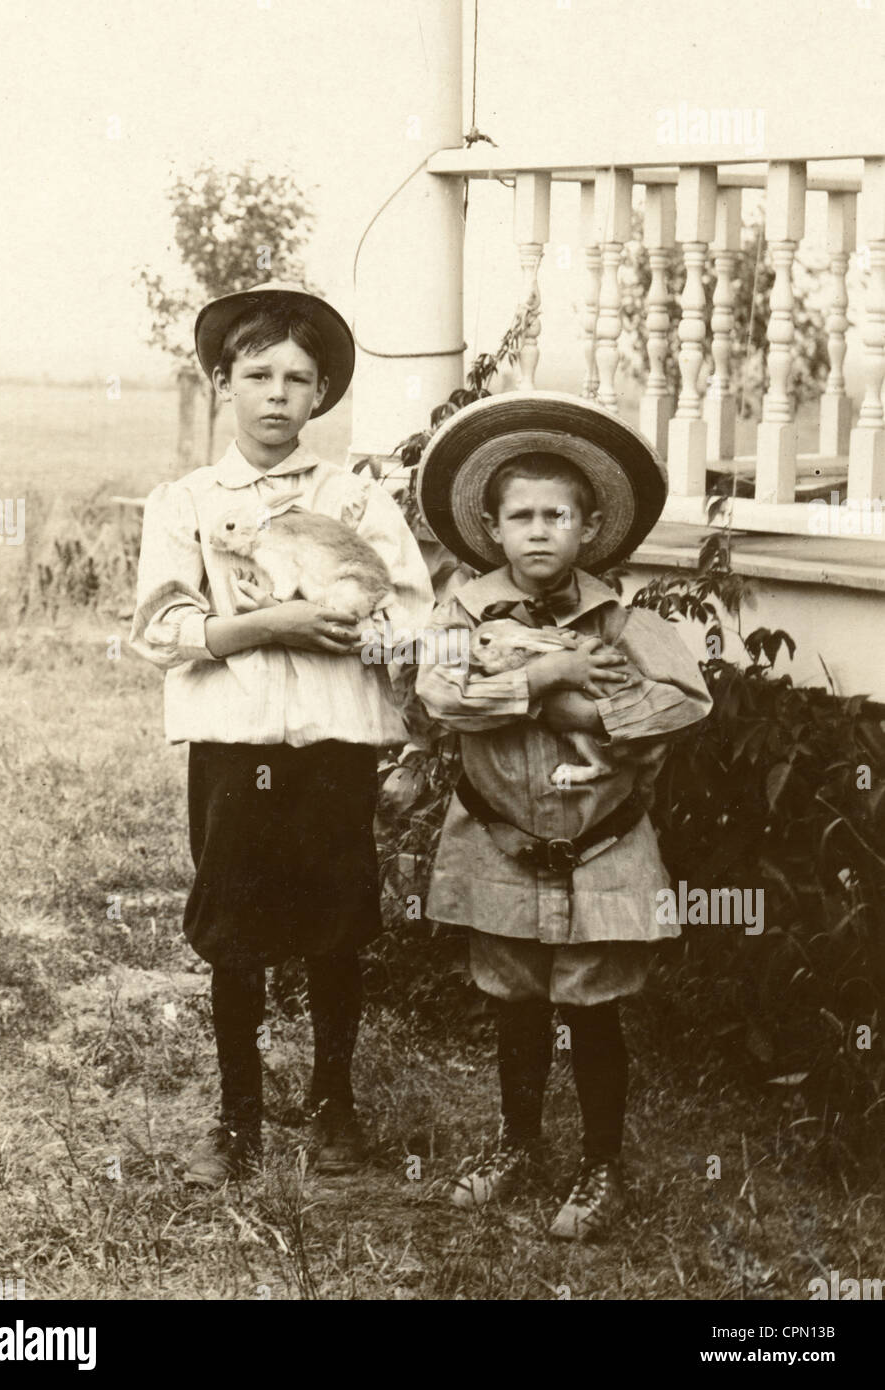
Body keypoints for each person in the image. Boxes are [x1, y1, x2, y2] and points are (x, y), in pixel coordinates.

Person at [130, 281, 434, 1186]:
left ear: (320, 396)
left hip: (337, 745)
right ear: (225, 383)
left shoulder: (354, 502)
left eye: (298, 380)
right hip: (235, 749)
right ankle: (239, 1114)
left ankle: (334, 1105)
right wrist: (271, 626)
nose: (276, 395)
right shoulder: (186, 502)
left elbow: (407, 613)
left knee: (338, 921)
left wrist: (358, 626)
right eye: (257, 374)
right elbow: (162, 627)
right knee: (236, 926)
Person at [414, 392, 712, 1240]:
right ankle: (517, 1144)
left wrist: (597, 720)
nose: (539, 531)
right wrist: (543, 686)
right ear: (492, 527)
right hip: (498, 841)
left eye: (558, 515)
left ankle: (602, 1163)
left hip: (601, 845)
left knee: (591, 1006)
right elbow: (443, 699)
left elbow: (685, 703)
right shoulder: (458, 616)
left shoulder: (622, 618)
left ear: (588, 528)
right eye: (522, 516)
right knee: (513, 999)